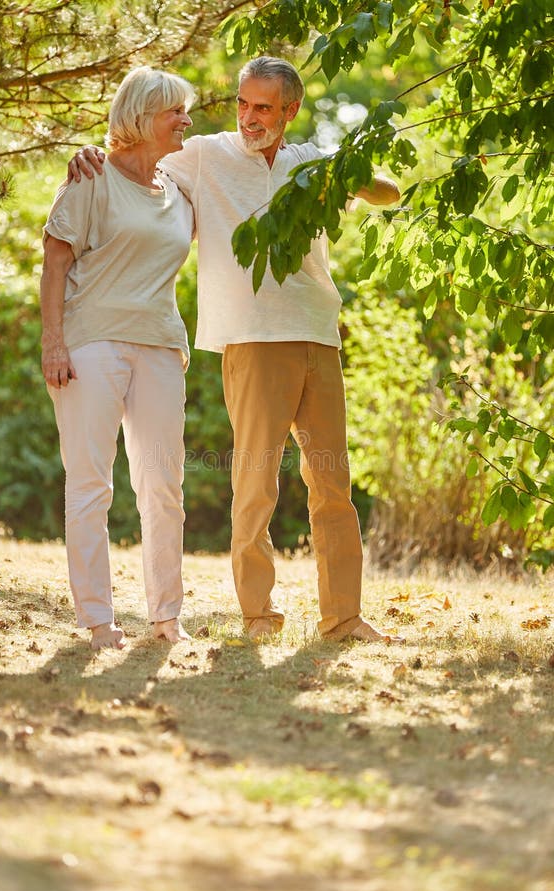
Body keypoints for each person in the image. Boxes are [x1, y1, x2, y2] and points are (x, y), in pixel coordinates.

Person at [70, 56, 403, 644]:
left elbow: (388, 192)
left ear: (291, 111)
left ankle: (343, 617)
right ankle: (258, 615)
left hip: (318, 332)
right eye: (243, 104)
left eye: (264, 108)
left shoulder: (311, 161)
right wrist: (89, 153)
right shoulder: (205, 155)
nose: (249, 117)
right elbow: (134, 152)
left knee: (332, 483)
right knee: (255, 485)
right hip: (251, 339)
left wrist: (347, 170)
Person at [41, 66, 196, 649]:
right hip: (92, 344)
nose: (186, 121)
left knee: (163, 484)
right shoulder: (91, 177)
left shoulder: (180, 188)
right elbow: (55, 262)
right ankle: (98, 620)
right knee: (91, 484)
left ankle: (166, 617)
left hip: (160, 346)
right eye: (174, 111)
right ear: (140, 116)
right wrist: (53, 343)